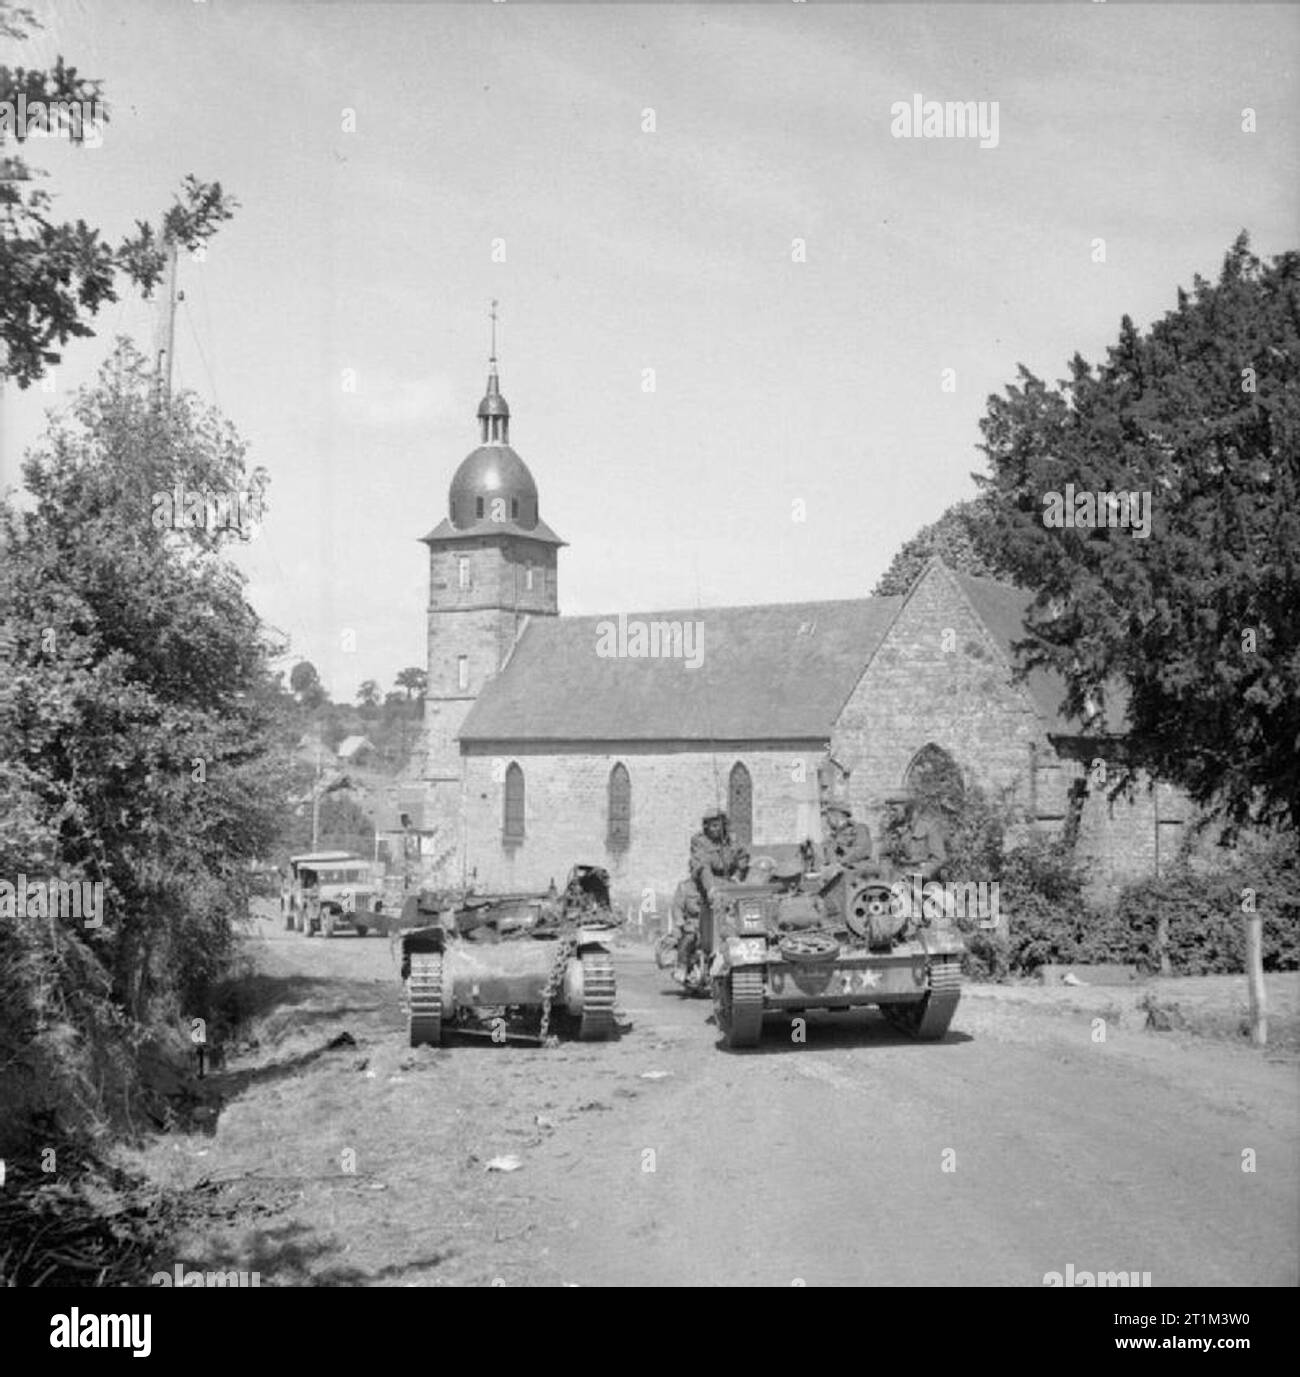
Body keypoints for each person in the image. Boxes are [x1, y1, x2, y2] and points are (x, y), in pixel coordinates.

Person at [882, 790, 947, 882]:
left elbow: (939, 858)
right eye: (890, 809)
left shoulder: (928, 826)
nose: (891, 813)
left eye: (895, 810)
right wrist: (888, 874)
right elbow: (885, 856)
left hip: (924, 880)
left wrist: (922, 874)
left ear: (908, 809)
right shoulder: (892, 828)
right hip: (898, 878)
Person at [819, 801, 874, 871]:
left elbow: (861, 850)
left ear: (836, 815)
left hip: (859, 870)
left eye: (828, 816)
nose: (827, 820)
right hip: (838, 872)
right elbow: (827, 858)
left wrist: (841, 863)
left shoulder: (859, 828)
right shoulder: (831, 837)